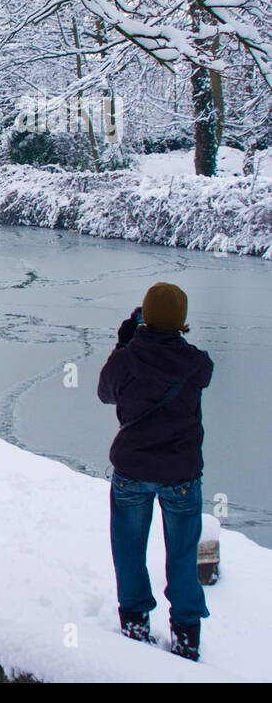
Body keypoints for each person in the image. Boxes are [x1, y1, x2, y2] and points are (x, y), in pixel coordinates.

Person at [97, 282, 214, 660]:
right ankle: (186, 639)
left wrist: (126, 341)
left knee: (129, 551)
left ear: (145, 315)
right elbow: (199, 371)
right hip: (181, 475)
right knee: (182, 557)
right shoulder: (196, 363)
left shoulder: (127, 360)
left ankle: (134, 626)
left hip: (132, 471)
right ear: (181, 322)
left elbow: (105, 391)